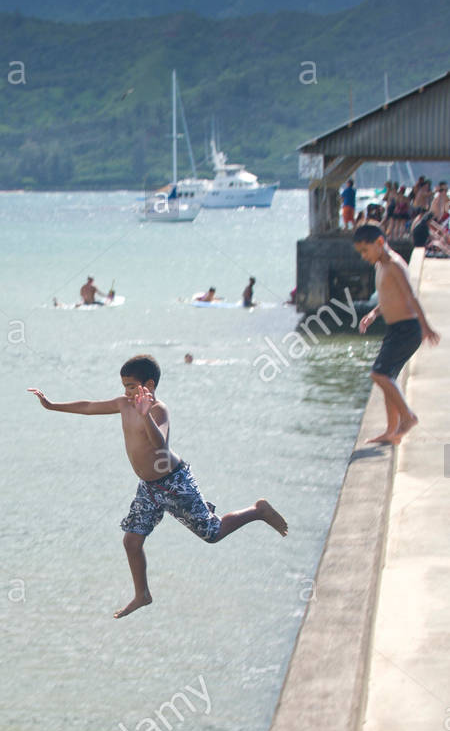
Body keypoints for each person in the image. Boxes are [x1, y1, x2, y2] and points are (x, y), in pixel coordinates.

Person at [27, 356, 288, 617]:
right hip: (149, 489)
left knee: (213, 533)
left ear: (149, 385)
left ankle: (258, 510)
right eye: (124, 386)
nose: (126, 392)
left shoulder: (158, 410)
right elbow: (88, 406)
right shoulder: (122, 403)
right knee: (131, 541)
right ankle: (142, 594)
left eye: (131, 386)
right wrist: (51, 405)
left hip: (174, 482)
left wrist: (145, 416)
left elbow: (160, 445)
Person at [353, 223, 440, 444]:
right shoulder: (379, 265)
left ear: (380, 243)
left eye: (365, 250)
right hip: (396, 329)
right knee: (387, 378)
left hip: (407, 329)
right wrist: (373, 314)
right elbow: (387, 297)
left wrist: (426, 326)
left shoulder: (394, 265)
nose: (363, 256)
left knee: (378, 374)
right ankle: (392, 433)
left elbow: (410, 296)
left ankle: (408, 417)